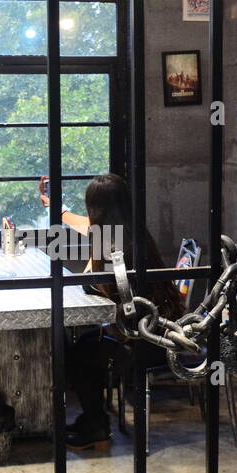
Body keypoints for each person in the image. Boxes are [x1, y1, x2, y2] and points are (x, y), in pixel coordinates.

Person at [40, 173, 184, 451]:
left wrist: (87, 272)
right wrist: (55, 208)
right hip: (162, 330)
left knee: (78, 353)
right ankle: (92, 421)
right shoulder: (132, 231)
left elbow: (95, 287)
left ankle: (96, 428)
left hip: (144, 342)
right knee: (84, 345)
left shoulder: (112, 245)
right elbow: (84, 226)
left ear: (96, 208)